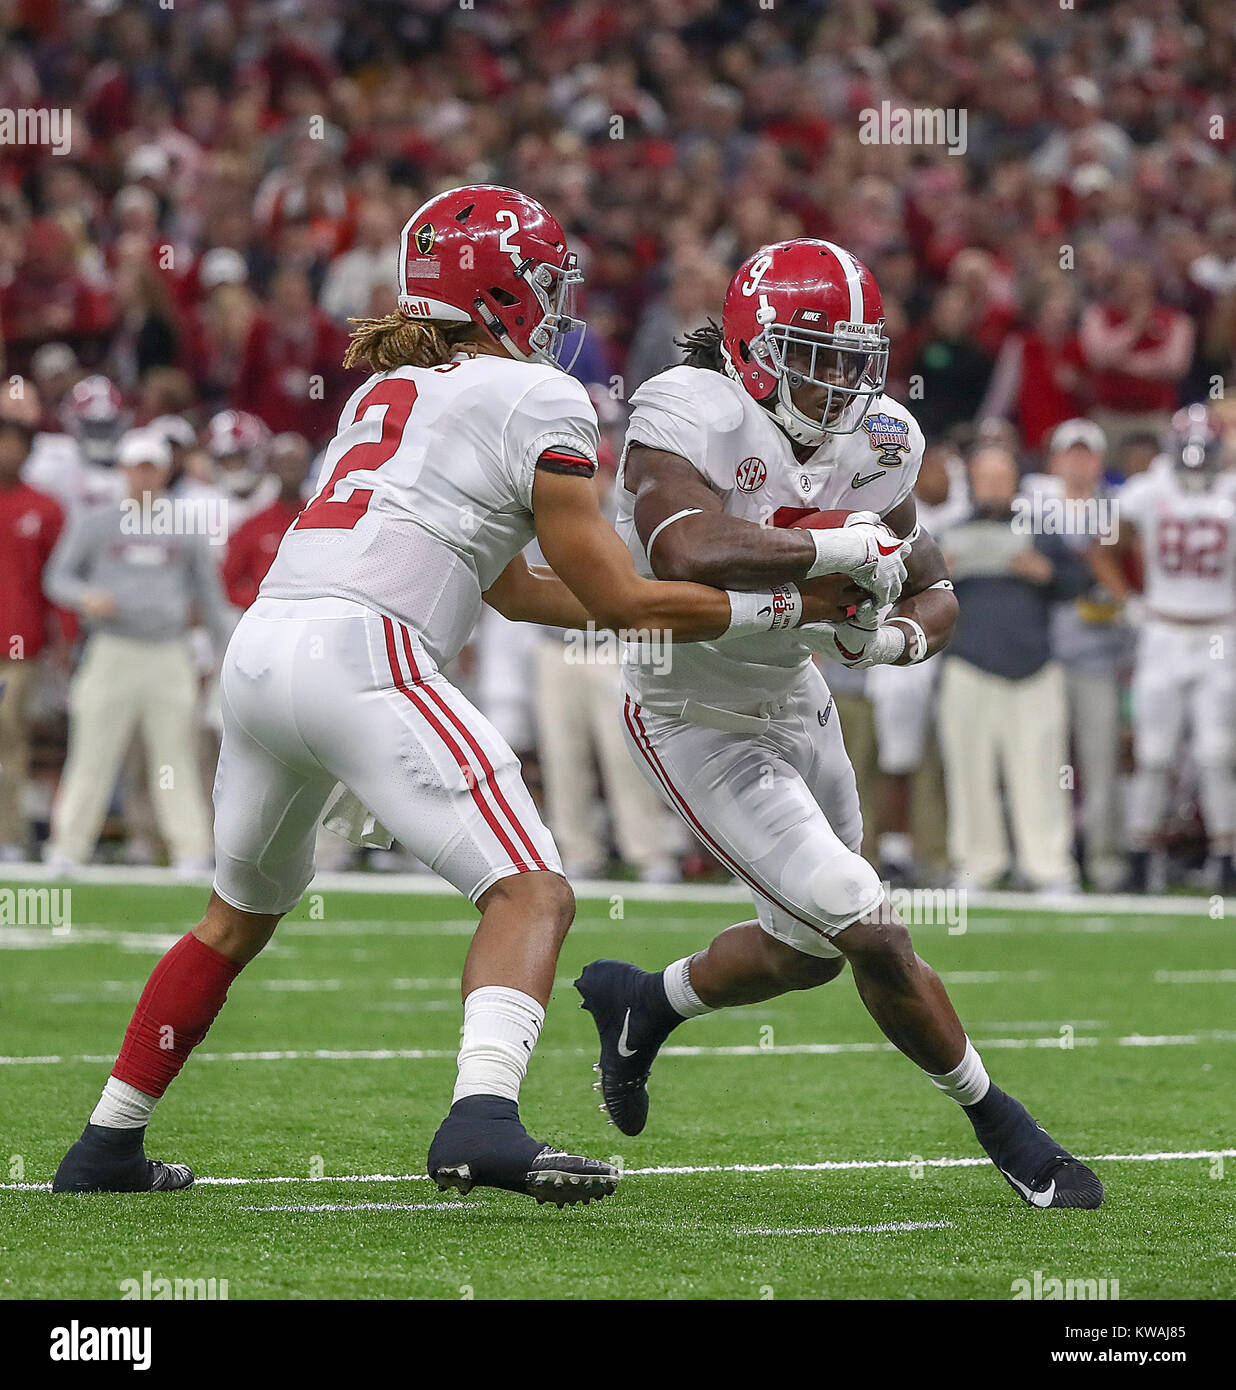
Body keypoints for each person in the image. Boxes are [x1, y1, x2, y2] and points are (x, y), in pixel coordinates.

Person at [51, 187, 872, 1207]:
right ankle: (481, 1118)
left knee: (234, 919)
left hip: (266, 653)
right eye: (540, 282)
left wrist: (745, 607)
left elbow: (519, 589)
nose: (555, 303)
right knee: (535, 891)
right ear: (494, 287)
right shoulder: (537, 397)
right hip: (366, 652)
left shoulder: (382, 395)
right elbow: (615, 593)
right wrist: (787, 606)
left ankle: (106, 1142)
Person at [575, 239, 1104, 1210]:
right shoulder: (687, 409)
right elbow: (679, 545)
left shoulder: (880, 439)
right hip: (692, 710)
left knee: (811, 950)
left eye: (858, 355)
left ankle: (646, 1003)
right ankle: (1009, 1131)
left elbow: (934, 585)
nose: (846, 379)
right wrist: (837, 546)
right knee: (869, 924)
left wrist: (895, 640)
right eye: (819, 354)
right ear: (755, 349)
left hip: (797, 695)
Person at [41, 429, 234, 873]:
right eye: (138, 467)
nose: (145, 477)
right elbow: (57, 578)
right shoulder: (97, 522)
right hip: (112, 649)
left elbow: (209, 595)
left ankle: (190, 850)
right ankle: (68, 848)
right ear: (124, 470)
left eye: (153, 468)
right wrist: (85, 596)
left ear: (165, 472)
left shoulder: (186, 530)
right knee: (92, 753)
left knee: (175, 758)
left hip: (169, 652)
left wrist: (224, 654)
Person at [1092, 405, 1236, 895]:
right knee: (1154, 753)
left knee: (1217, 752)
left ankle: (1224, 858)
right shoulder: (1149, 491)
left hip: (1220, 632)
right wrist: (1127, 601)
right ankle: (1139, 857)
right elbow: (1103, 544)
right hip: (1164, 631)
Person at [936, 444, 1089, 891]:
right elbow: (908, 589)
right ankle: (976, 865)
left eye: (1002, 479)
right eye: (986, 479)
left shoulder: (1040, 532)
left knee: (1041, 770)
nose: (994, 488)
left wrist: (1044, 572)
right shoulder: (947, 533)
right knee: (969, 772)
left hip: (1034, 666)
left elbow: (1078, 582)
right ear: (972, 482)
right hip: (968, 664)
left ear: (1016, 484)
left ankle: (1049, 866)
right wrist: (941, 575)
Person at [0, 390, 65, 859]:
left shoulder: (45, 508)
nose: (7, 450)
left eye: (15, 443)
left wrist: (63, 637)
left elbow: (56, 582)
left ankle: (9, 835)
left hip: (16, 646)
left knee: (8, 734)